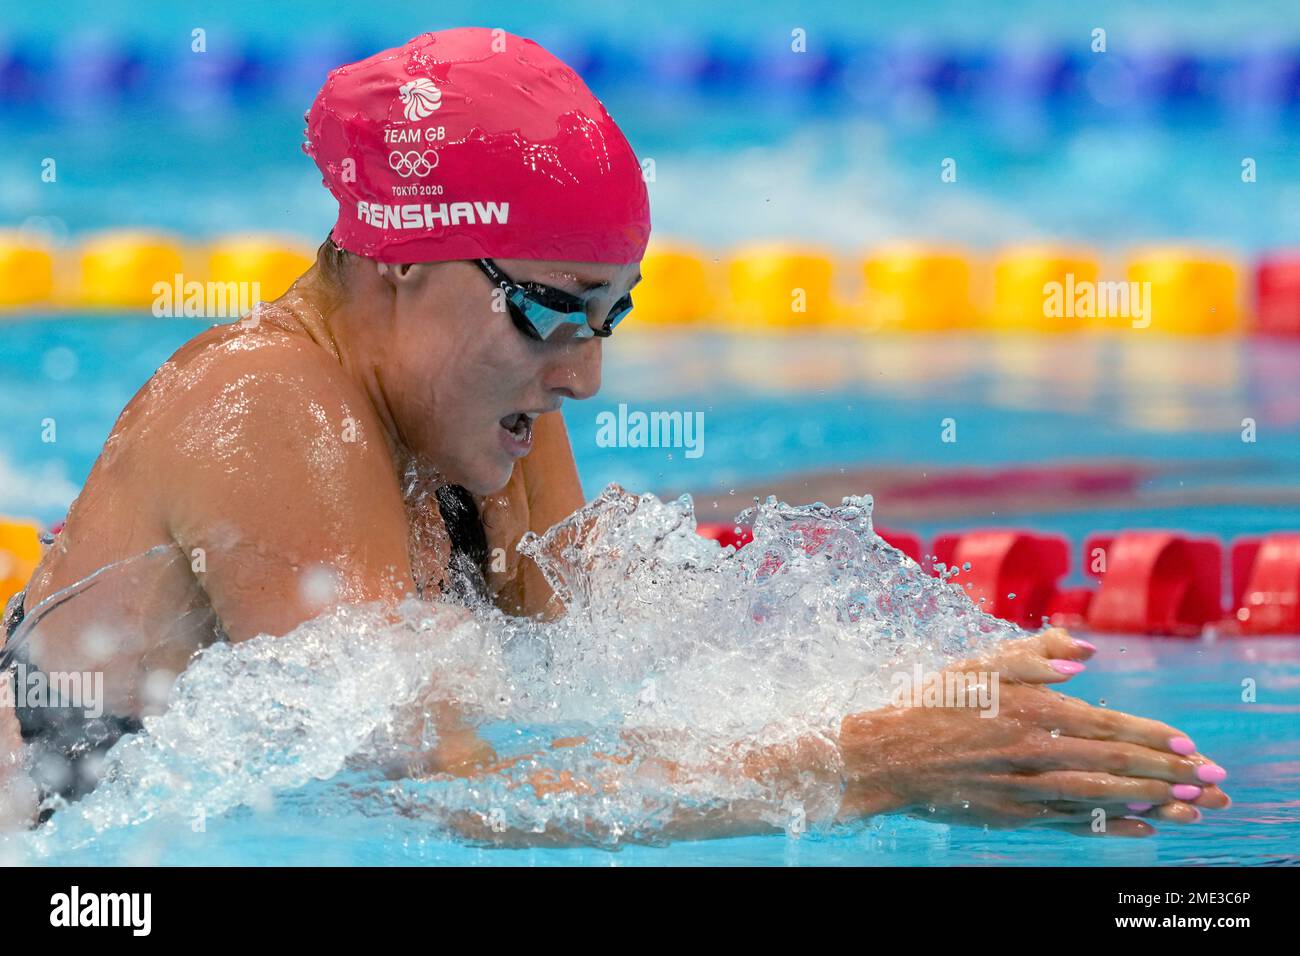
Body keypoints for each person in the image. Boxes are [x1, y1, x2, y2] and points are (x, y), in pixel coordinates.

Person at [0, 28, 1228, 836]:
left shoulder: (489, 409)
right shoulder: (270, 405)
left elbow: (607, 687)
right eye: (546, 308)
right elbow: (421, 795)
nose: (582, 372)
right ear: (393, 263)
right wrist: (871, 762)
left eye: (607, 312)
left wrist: (949, 715)